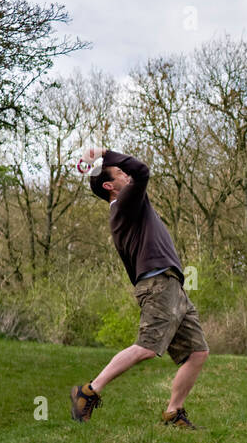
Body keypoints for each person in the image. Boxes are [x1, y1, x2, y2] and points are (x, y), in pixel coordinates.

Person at [69, 147, 208, 428]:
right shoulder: (124, 203)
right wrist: (104, 154)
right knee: (146, 348)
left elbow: (136, 173)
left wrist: (103, 162)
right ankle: (89, 391)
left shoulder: (132, 205)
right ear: (110, 186)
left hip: (171, 284)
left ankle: (173, 413)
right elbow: (142, 171)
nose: (127, 174)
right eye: (120, 173)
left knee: (197, 352)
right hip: (157, 285)